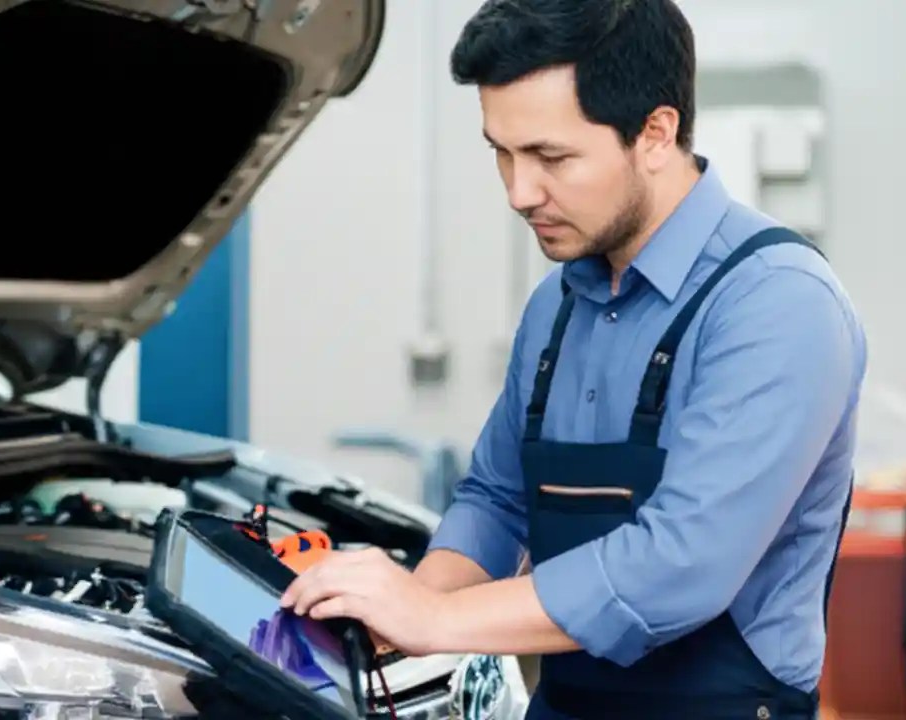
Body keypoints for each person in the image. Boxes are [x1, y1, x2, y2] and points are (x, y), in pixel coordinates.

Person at [280, 0, 867, 717]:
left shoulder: (777, 303)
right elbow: (497, 500)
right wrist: (402, 610)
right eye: (501, 152)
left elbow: (679, 565)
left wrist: (435, 619)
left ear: (656, 133)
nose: (519, 192)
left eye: (551, 158)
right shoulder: (557, 305)